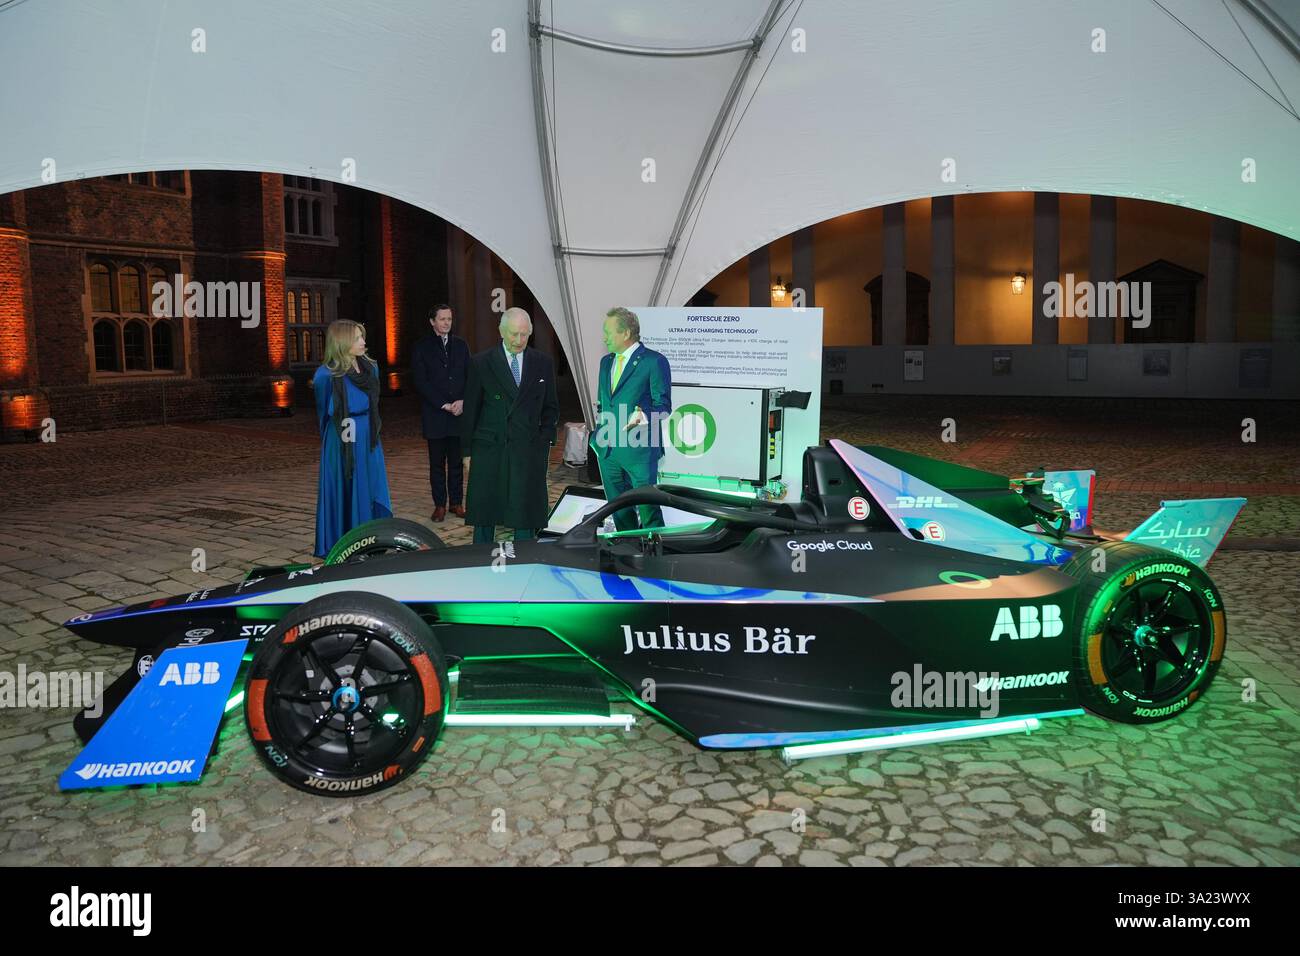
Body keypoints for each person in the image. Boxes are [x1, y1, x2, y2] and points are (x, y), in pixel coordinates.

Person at [461, 307, 559, 544]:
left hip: (528, 447)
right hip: (490, 447)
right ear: (501, 331)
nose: (519, 340)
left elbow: (551, 406)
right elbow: (470, 411)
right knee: (485, 511)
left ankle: (524, 557)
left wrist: (544, 440)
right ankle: (480, 558)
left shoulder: (542, 362)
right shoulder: (481, 362)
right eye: (514, 334)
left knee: (524, 512)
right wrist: (467, 451)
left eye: (524, 334)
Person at [312, 320, 392, 557]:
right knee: (344, 488)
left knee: (371, 485)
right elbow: (323, 413)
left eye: (362, 336)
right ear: (342, 342)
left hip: (368, 436)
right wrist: (334, 444)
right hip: (341, 439)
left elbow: (375, 404)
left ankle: (371, 540)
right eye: (357, 338)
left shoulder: (371, 368)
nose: (363, 342)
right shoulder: (325, 375)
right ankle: (341, 541)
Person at [593, 306, 672, 531]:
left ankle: (656, 551)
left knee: (649, 512)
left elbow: (664, 406)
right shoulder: (606, 362)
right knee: (619, 511)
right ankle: (626, 548)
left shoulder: (654, 362)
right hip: (608, 451)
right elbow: (603, 403)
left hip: (640, 453)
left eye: (608, 332)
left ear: (626, 333)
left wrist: (643, 415)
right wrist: (597, 437)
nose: (604, 337)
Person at [412, 303, 469, 522]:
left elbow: (470, 376)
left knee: (456, 463)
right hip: (435, 414)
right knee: (437, 464)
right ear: (432, 321)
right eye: (442, 319)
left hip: (458, 414)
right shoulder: (421, 347)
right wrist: (443, 404)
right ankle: (439, 505)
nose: (447, 323)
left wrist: (462, 401)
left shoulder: (461, 345)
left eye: (449, 319)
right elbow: (421, 381)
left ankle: (456, 503)